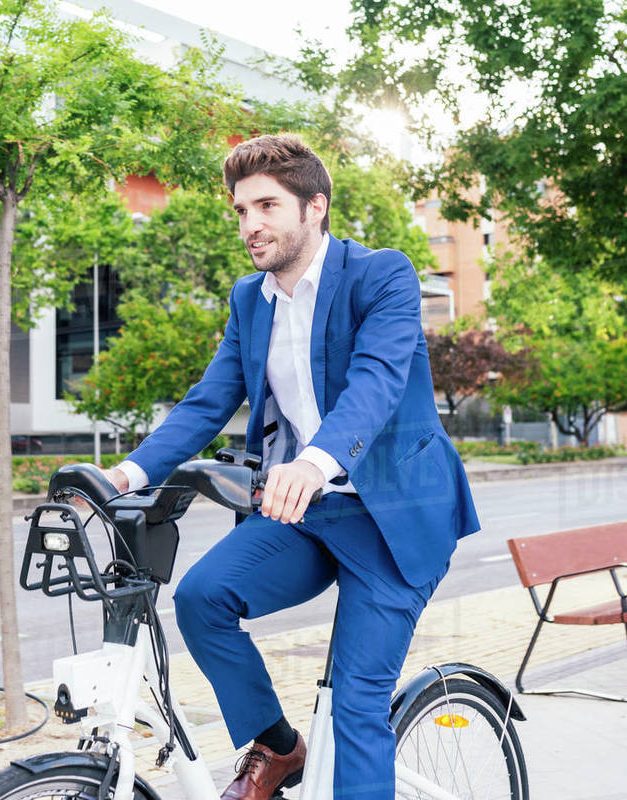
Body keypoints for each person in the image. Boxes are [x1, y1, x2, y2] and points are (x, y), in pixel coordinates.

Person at [102, 134, 479, 800]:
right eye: (241, 210)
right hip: (304, 511)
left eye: (267, 206)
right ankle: (278, 748)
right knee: (202, 598)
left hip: (393, 517)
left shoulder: (381, 275)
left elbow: (375, 383)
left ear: (315, 206)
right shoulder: (250, 299)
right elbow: (208, 403)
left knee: (357, 703)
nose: (250, 225)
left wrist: (313, 463)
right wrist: (122, 477)